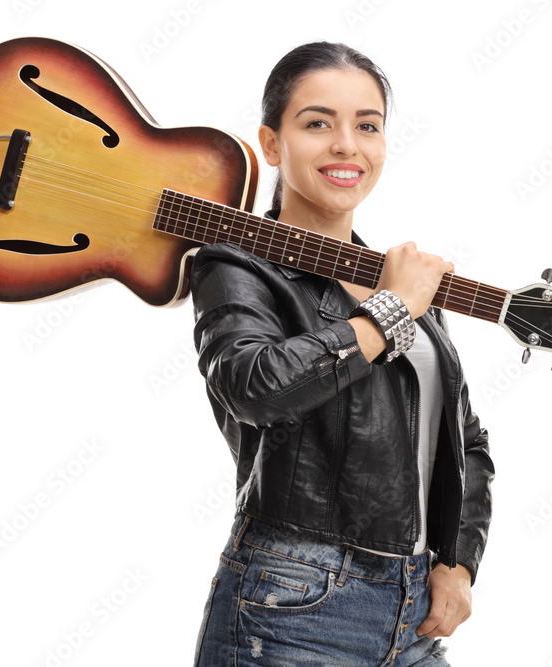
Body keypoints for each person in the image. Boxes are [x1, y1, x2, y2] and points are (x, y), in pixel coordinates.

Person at [189, 41, 494, 666]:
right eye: (317, 124)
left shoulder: (405, 280)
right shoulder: (234, 265)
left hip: (412, 614)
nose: (346, 146)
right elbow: (254, 386)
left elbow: (466, 438)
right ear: (272, 145)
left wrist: (458, 562)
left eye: (368, 126)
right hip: (289, 607)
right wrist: (391, 310)